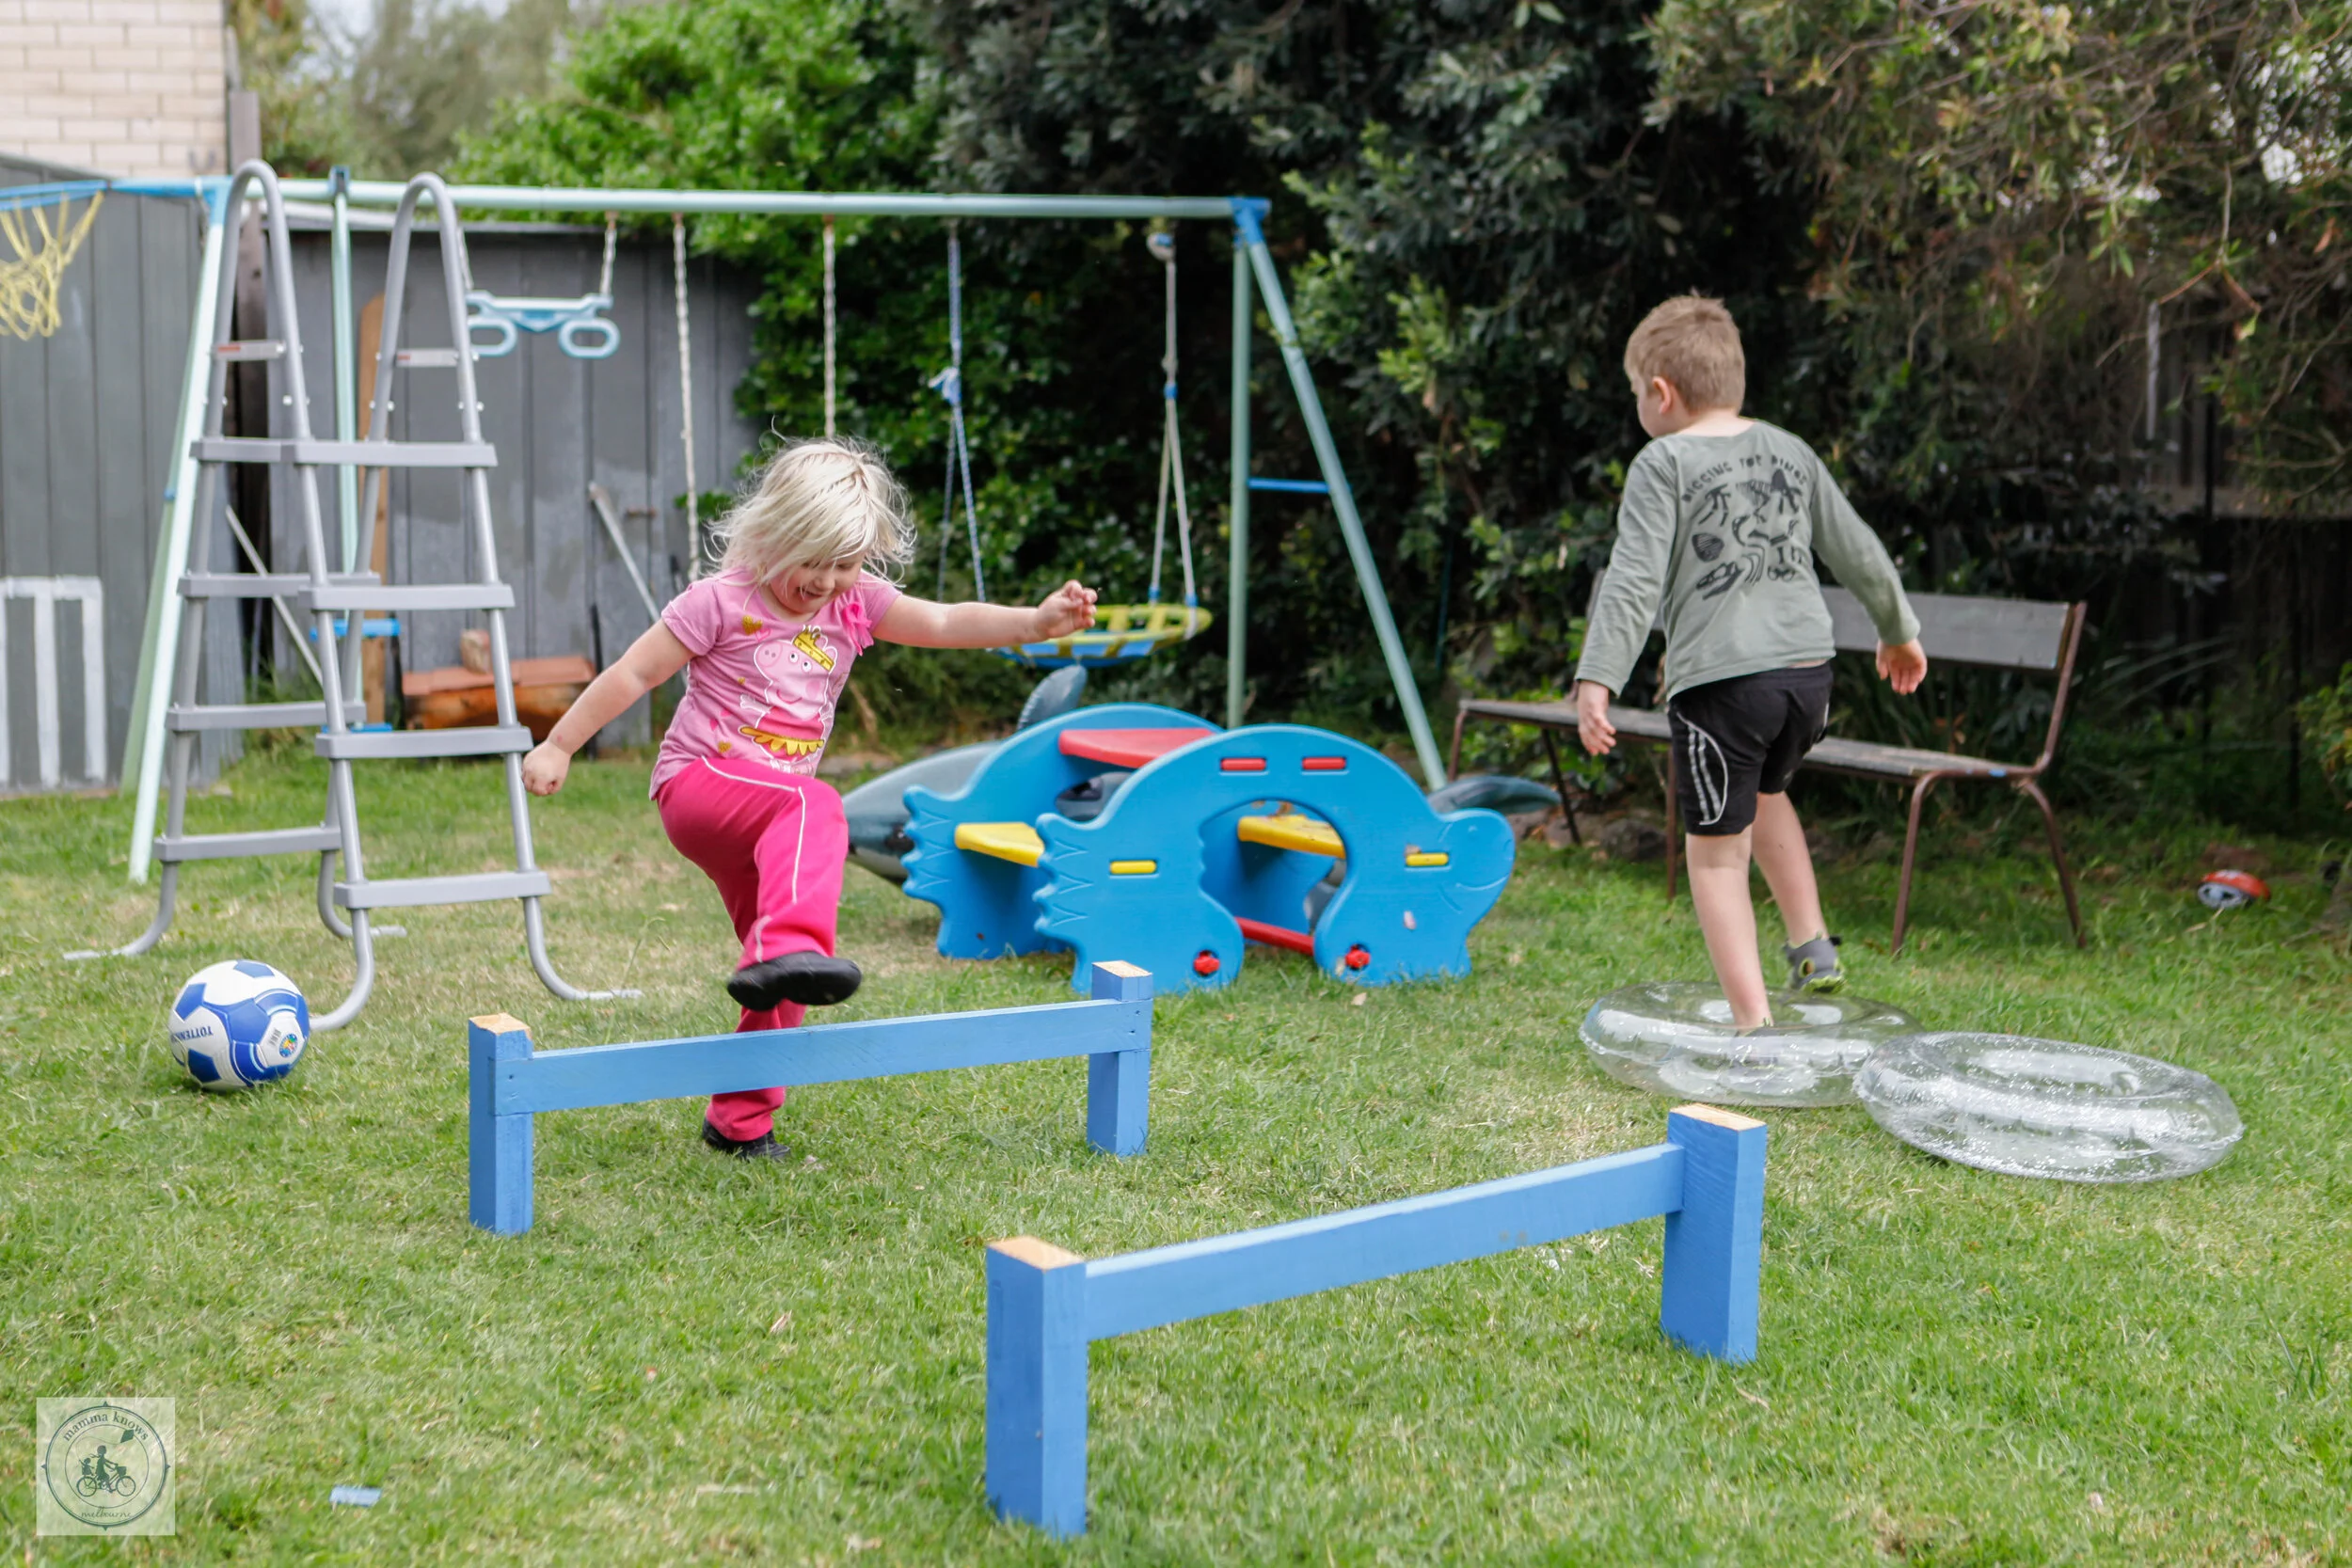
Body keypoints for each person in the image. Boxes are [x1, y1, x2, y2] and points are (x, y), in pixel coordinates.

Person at [523, 436, 1098, 1159]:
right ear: (770, 536)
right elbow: (634, 673)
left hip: (771, 822)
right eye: (812, 561)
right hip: (700, 786)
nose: (826, 581)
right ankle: (789, 946)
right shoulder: (720, 602)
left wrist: (1034, 624)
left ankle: (739, 1122)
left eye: (846, 564)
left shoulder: (854, 606)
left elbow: (947, 621)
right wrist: (560, 743)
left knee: (787, 972)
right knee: (814, 810)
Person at [1572, 295, 1927, 1029]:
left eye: (1637, 391)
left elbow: (1635, 578)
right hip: (1808, 679)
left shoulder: (1662, 460)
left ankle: (1753, 1024)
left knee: (1715, 858)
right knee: (1766, 797)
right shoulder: (1789, 450)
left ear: (1661, 392)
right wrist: (1897, 629)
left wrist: (1598, 677)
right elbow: (1856, 545)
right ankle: (1812, 947)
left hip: (1725, 688)